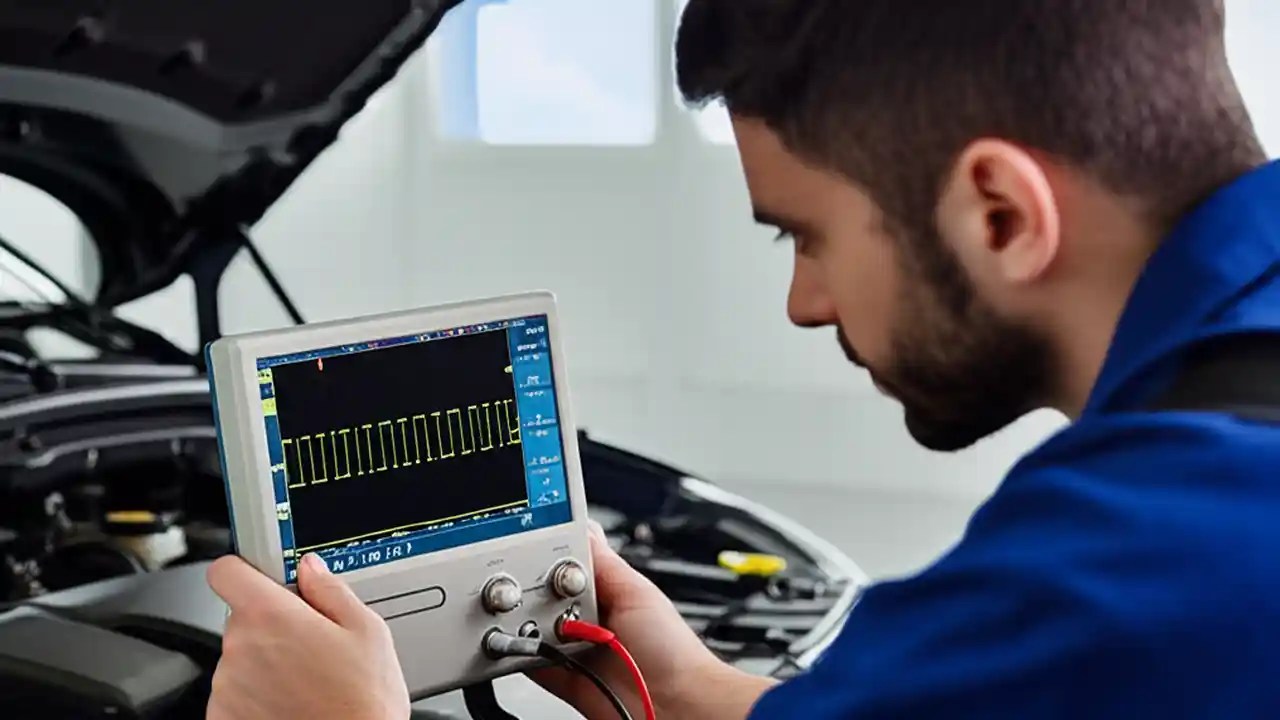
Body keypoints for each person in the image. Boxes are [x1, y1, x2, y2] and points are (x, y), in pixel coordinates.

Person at [205, 0, 1280, 718]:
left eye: (805, 236)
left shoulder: (1127, 576)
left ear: (998, 213)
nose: (804, 304)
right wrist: (683, 692)